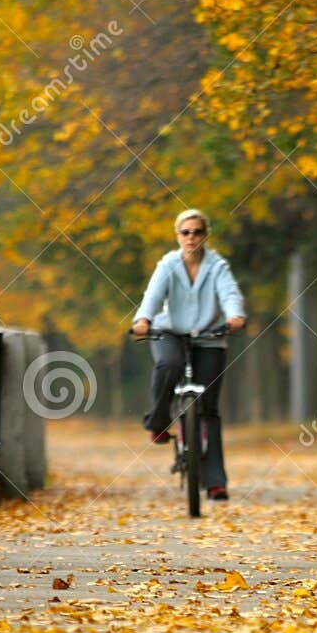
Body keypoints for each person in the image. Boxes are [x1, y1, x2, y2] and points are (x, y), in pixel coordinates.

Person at [132, 209, 246, 500]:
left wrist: (235, 316)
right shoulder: (169, 264)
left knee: (209, 409)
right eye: (185, 232)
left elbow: (229, 293)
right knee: (168, 364)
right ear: (177, 235)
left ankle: (216, 481)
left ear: (205, 235)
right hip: (171, 332)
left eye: (197, 231)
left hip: (209, 336)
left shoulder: (217, 266)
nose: (191, 237)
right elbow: (153, 294)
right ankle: (158, 421)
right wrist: (143, 319)